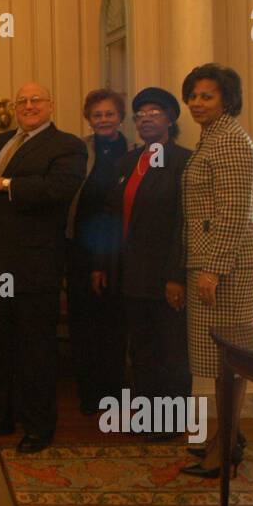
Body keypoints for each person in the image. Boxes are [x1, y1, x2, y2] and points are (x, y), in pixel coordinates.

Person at [0, 82, 85, 453]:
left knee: (35, 349)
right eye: (22, 101)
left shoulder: (68, 146)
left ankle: (38, 428)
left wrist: (4, 184)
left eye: (36, 100)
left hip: (34, 265)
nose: (29, 106)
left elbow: (57, 189)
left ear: (52, 104)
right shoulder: (0, 141)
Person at [177, 64, 253, 478]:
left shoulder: (230, 141)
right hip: (212, 261)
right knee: (218, 359)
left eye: (206, 96)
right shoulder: (213, 137)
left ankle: (226, 445)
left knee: (229, 358)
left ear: (227, 100)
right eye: (193, 95)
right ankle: (225, 437)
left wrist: (212, 269)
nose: (196, 103)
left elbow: (233, 213)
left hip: (228, 266)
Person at [93, 88, 192, 436]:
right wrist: (102, 264)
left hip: (164, 276)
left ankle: (171, 424)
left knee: (170, 351)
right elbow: (110, 216)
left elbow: (185, 224)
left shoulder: (184, 161)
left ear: (170, 119)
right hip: (128, 274)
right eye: (140, 114)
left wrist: (176, 276)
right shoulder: (128, 162)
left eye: (154, 112)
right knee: (142, 349)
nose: (146, 119)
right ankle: (148, 417)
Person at [66, 89, 130, 415]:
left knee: (113, 326)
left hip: (119, 253)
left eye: (109, 114)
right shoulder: (79, 150)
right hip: (80, 250)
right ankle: (89, 395)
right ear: (88, 119)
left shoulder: (135, 151)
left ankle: (114, 395)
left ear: (120, 117)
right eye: (97, 115)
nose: (103, 120)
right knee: (84, 324)